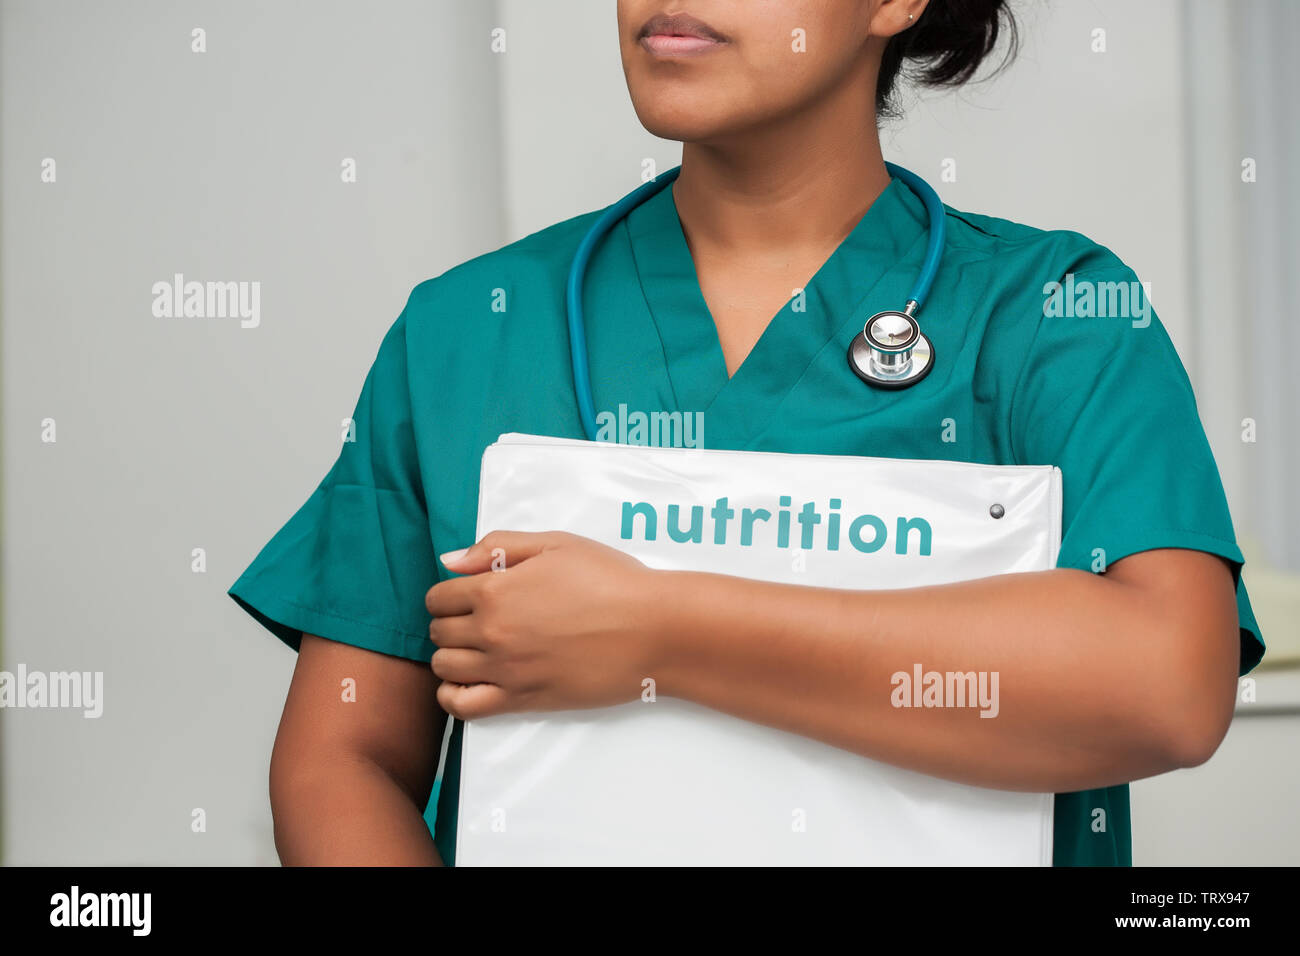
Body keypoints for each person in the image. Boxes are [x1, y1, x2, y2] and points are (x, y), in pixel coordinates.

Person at [229, 0, 1266, 866]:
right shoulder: (469, 329)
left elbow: (1166, 685)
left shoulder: (1051, 316)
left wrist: (660, 630)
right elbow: (342, 757)